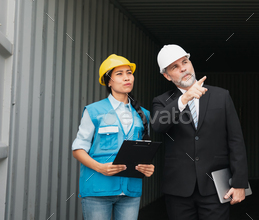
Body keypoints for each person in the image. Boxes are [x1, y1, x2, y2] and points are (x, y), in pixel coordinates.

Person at [151, 44, 248, 220]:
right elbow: (157, 125)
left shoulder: (221, 96)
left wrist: (240, 183)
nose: (183, 68)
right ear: (166, 76)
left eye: (185, 62)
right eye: (175, 67)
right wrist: (184, 99)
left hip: (216, 187)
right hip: (178, 190)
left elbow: (236, 141)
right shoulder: (162, 101)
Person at [72, 54, 155, 220]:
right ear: (108, 81)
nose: (127, 78)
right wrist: (100, 168)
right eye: (119, 74)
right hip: (98, 191)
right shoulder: (94, 111)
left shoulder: (143, 114)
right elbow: (78, 149)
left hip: (130, 192)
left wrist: (148, 167)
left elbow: (142, 152)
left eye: (129, 73)